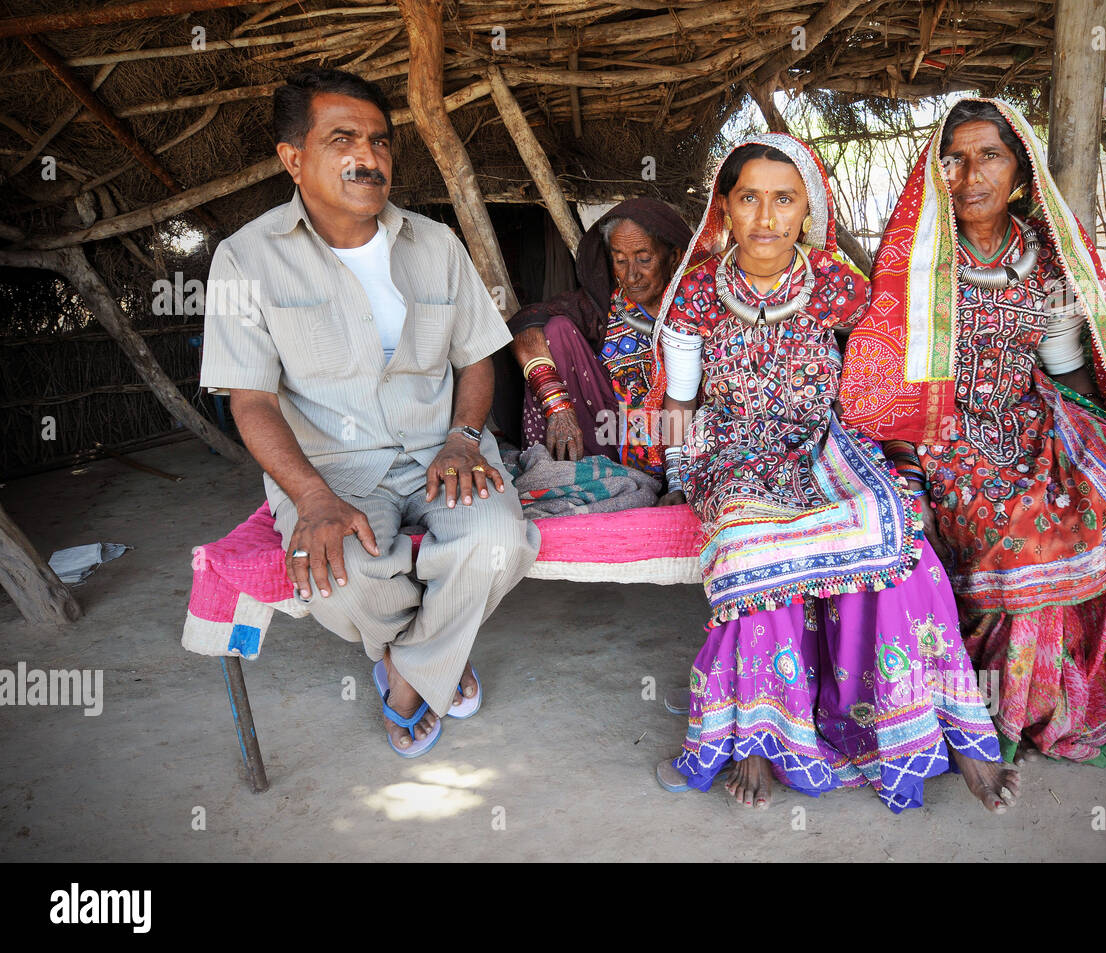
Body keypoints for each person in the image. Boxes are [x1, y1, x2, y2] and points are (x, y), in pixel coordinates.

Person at [840, 98, 1106, 765]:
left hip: (1031, 418)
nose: (969, 176)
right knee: (1029, 534)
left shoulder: (1041, 260)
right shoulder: (913, 259)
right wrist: (902, 466)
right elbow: (883, 387)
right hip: (941, 438)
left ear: (1019, 169)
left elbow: (1063, 364)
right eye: (953, 158)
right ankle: (1009, 706)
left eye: (989, 155)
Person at [649, 133, 1019, 813]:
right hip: (731, 452)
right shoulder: (696, 293)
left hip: (824, 445)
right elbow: (679, 401)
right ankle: (760, 737)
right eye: (749, 199)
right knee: (751, 548)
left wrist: (899, 465)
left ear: (805, 208)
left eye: (783, 199)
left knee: (897, 528)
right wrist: (679, 474)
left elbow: (881, 381)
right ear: (724, 208)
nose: (766, 217)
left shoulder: (839, 286)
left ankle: (950, 727)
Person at [199, 68, 539, 758]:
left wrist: (464, 437)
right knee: (334, 580)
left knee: (498, 540)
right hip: (334, 471)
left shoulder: (435, 243)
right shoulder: (244, 260)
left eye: (381, 141)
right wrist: (311, 497)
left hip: (442, 454)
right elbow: (252, 398)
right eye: (343, 138)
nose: (369, 156)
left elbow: (477, 357)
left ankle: (407, 675)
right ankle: (437, 661)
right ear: (293, 158)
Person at [505, 199, 691, 480]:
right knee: (557, 331)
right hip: (612, 444)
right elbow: (526, 328)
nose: (631, 274)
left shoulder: (699, 306)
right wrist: (557, 404)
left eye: (644, 258)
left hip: (690, 441)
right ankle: (572, 471)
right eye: (620, 260)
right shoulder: (598, 307)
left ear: (674, 257)